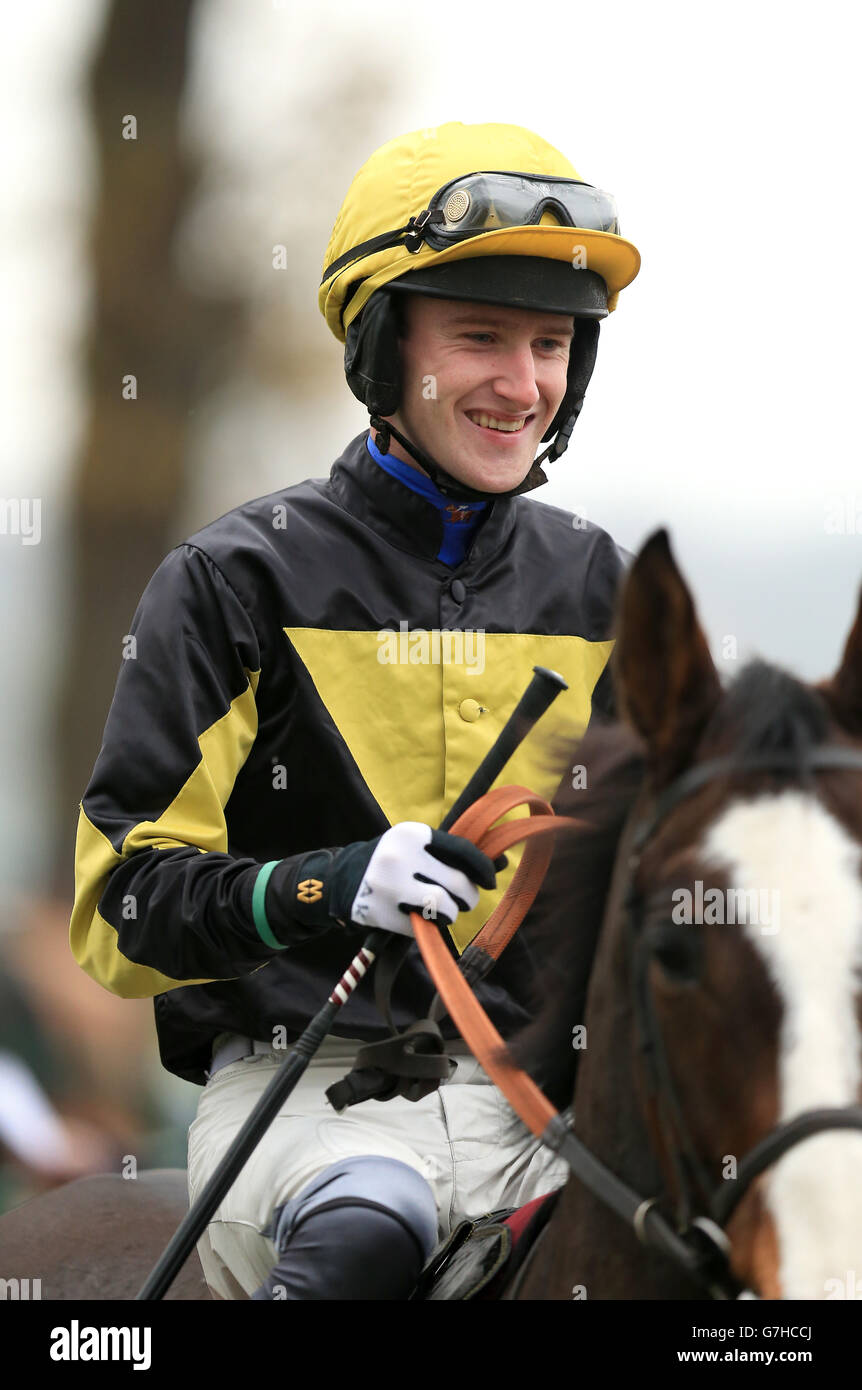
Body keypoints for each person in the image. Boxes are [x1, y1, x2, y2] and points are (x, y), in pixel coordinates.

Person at [70, 121, 640, 1300]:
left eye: (549, 344)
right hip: (313, 1096)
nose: (522, 384)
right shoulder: (237, 581)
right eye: (480, 337)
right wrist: (323, 883)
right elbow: (116, 909)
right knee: (368, 1233)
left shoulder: (603, 588)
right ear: (386, 347)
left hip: (551, 1102)